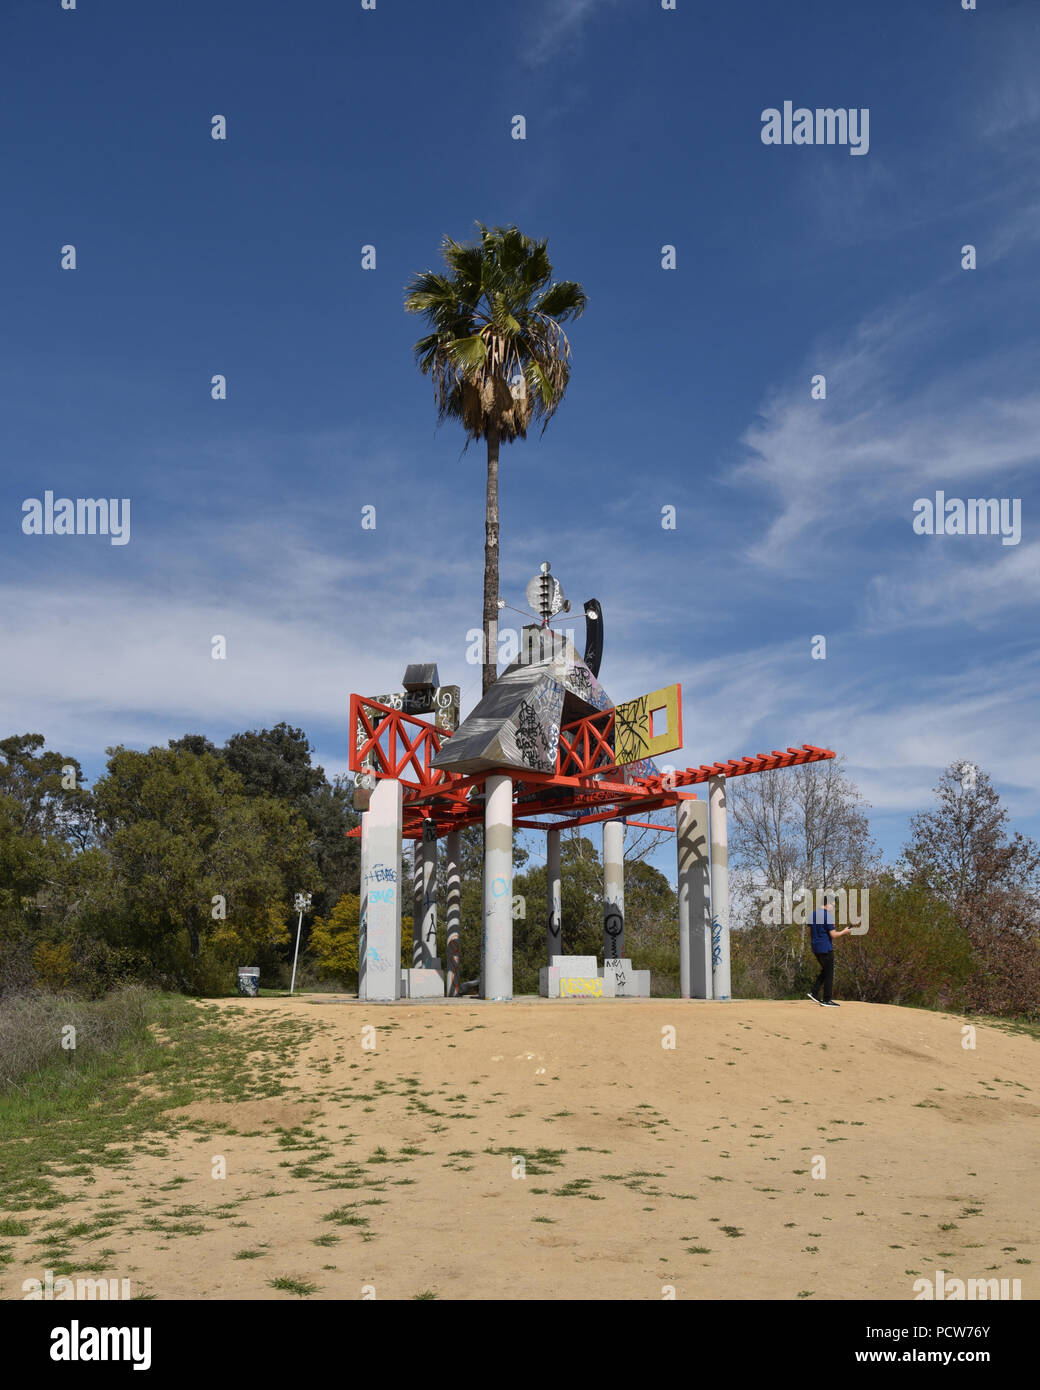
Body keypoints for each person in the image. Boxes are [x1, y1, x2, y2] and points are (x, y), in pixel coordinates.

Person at [808, 894, 850, 1007]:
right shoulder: (828, 916)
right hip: (826, 948)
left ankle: (814, 991)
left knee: (825, 971)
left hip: (815, 947)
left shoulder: (813, 914)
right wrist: (844, 932)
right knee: (829, 973)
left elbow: (811, 931)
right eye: (833, 905)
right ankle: (827, 999)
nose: (834, 907)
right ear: (828, 904)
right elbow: (833, 935)